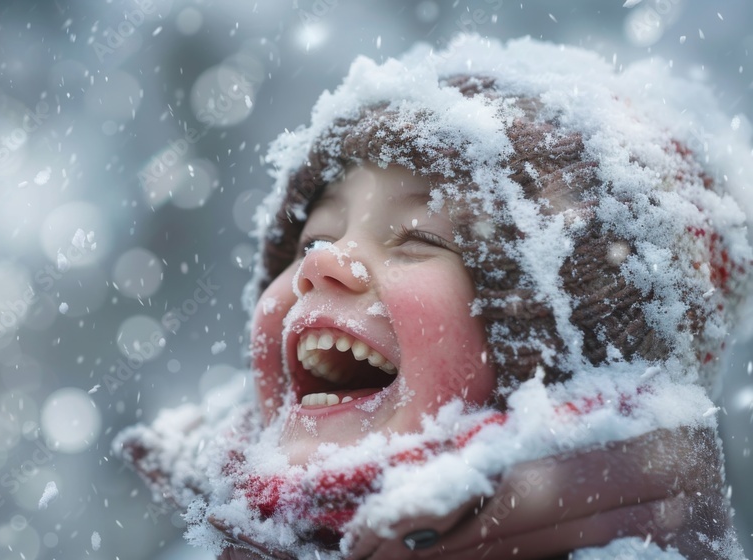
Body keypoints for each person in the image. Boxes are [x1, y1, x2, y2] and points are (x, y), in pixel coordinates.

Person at [116, 36, 753, 559]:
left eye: (419, 238)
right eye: (314, 238)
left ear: (551, 356)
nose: (320, 264)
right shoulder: (212, 540)